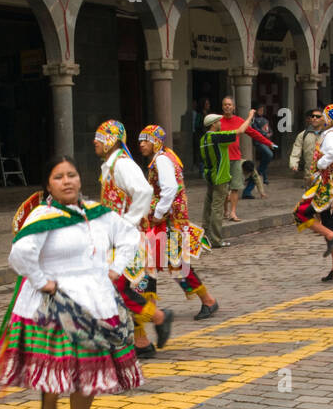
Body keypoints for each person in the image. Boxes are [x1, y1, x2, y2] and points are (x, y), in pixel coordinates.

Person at [0, 157, 143, 409]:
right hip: (55, 305)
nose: (67, 181)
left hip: (97, 303)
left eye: (72, 175)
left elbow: (129, 235)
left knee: (88, 374)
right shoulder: (43, 216)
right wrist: (42, 281)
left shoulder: (99, 214)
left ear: (80, 179)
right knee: (58, 365)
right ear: (48, 184)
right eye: (58, 177)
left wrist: (116, 268)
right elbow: (20, 255)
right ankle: (49, 399)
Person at [95, 120, 173, 359]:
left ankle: (158, 318)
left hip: (128, 239)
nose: (95, 142)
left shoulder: (123, 166)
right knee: (126, 287)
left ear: (112, 139)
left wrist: (128, 222)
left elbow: (144, 192)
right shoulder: (110, 166)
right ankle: (141, 342)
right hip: (116, 238)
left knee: (114, 286)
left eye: (100, 137)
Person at [137, 125, 219, 321]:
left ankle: (208, 300)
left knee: (174, 264)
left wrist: (157, 213)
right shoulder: (165, 156)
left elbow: (170, 188)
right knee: (153, 261)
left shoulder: (162, 160)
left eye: (146, 140)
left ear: (156, 141)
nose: (141, 144)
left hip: (167, 221)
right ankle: (150, 307)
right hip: (169, 220)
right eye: (141, 140)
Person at [293, 104, 333, 281]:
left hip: (327, 185)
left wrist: (320, 165)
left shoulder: (330, 134)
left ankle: (331, 237)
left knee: (300, 212)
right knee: (331, 224)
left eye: (323, 116)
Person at [217, 96, 268, 222]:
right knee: (223, 189)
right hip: (222, 159)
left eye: (229, 104)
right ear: (222, 107)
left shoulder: (239, 120)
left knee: (235, 187)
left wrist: (268, 142)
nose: (227, 106)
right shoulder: (218, 122)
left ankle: (233, 212)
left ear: (233, 107)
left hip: (235, 158)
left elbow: (252, 132)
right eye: (225, 105)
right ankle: (225, 211)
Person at [199, 113, 233, 249]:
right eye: (219, 121)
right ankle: (216, 239)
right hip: (220, 176)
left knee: (207, 207)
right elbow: (240, 131)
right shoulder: (217, 137)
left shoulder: (203, 139)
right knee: (217, 209)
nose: (221, 123)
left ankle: (205, 236)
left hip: (210, 176)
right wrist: (249, 117)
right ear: (214, 124)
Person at [250, 112, 278, 197]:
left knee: (267, 157)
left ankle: (262, 179)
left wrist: (269, 142)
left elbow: (253, 132)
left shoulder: (264, 120)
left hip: (264, 140)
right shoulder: (254, 121)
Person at [289, 109, 323, 181]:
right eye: (312, 116)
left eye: (318, 116)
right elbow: (296, 149)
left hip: (326, 175)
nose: (314, 118)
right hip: (309, 175)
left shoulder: (329, 134)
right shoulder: (303, 135)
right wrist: (293, 164)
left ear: (323, 118)